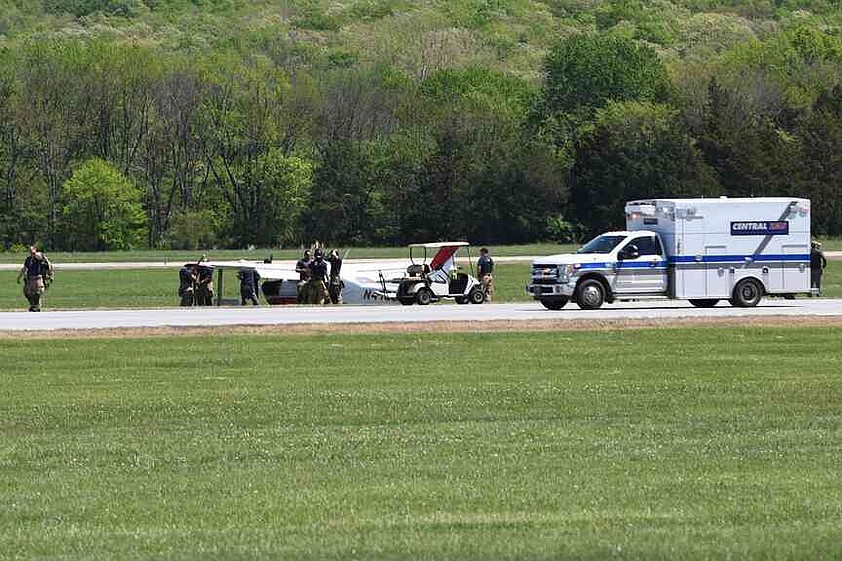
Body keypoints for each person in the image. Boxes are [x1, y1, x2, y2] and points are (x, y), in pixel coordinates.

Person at [16, 245, 53, 312]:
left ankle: (36, 307)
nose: (31, 252)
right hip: (29, 279)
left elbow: (40, 256)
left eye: (32, 250)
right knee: (27, 293)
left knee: (37, 293)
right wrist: (19, 277)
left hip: (37, 278)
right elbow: (24, 268)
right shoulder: (28, 259)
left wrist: (35, 253)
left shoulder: (39, 258)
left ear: (35, 250)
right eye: (30, 251)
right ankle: (33, 306)